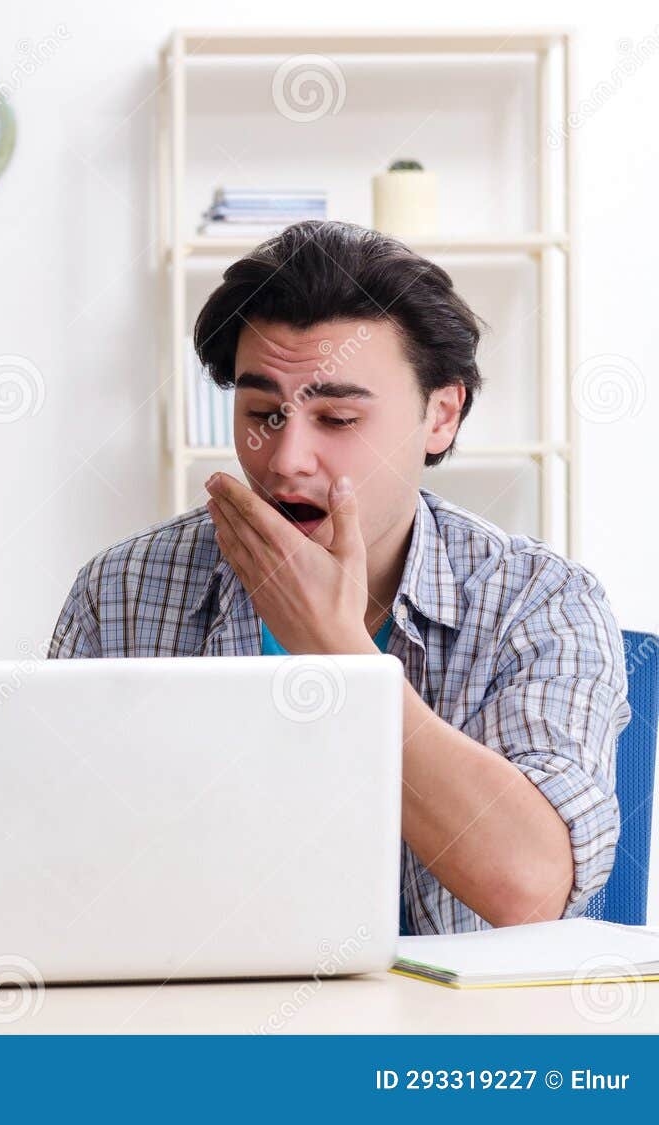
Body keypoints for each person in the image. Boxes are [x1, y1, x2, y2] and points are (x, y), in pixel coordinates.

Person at [49, 220, 629, 933]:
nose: (287, 458)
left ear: (441, 415)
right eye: (263, 413)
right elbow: (59, 880)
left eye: (338, 417)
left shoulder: (539, 602)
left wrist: (341, 655)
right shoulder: (121, 592)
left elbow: (527, 887)